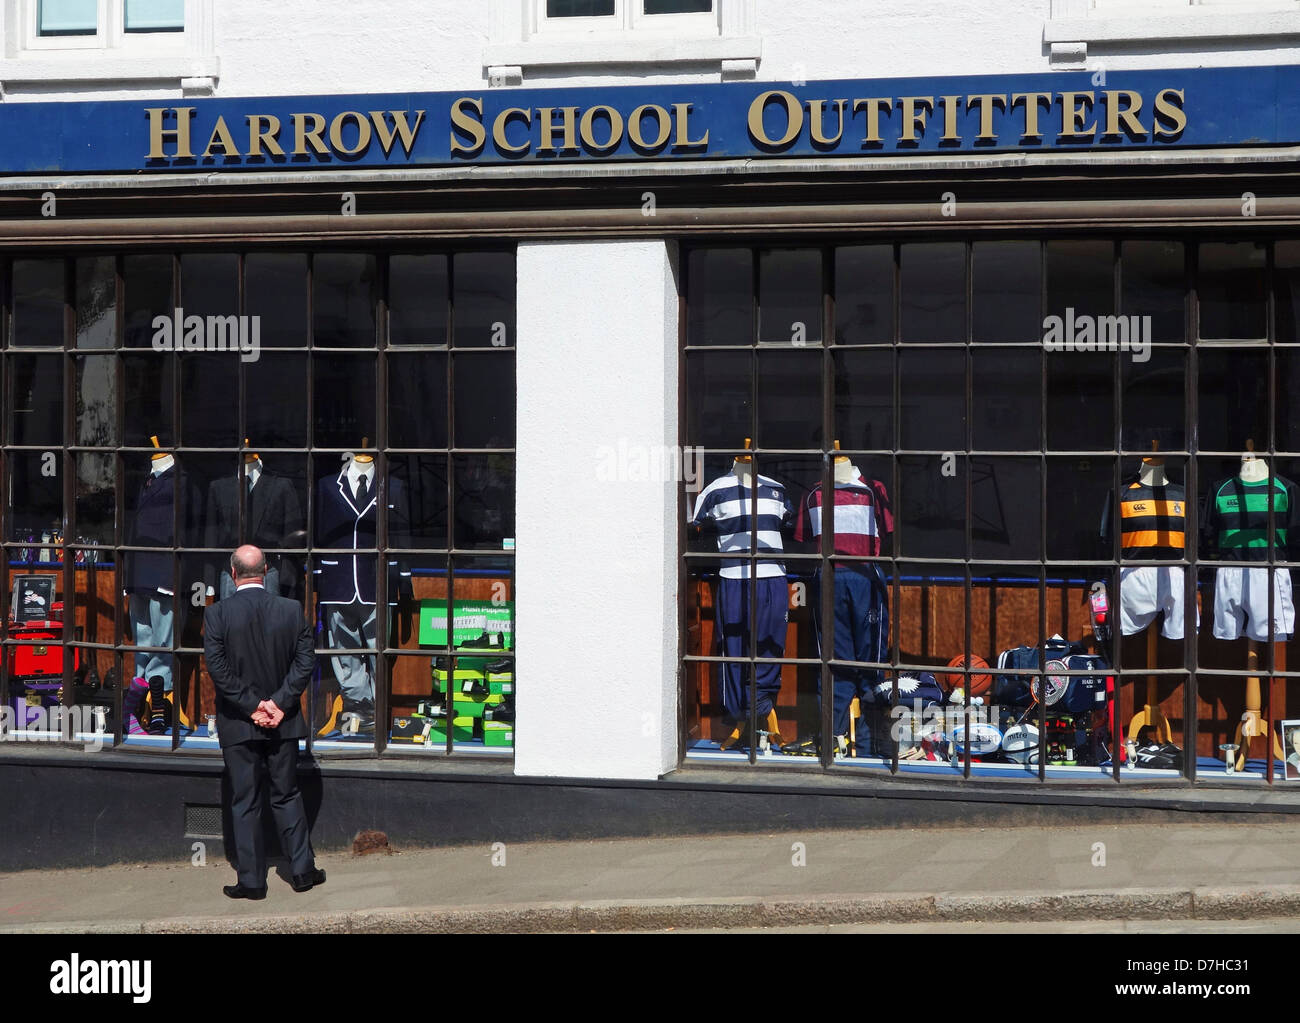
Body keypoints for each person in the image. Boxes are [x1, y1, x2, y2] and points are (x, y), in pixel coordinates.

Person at [203, 544, 325, 900]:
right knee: (286, 794)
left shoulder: (218, 615)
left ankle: (253, 881)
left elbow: (218, 671)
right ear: (267, 570)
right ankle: (302, 871)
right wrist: (278, 704)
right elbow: (305, 664)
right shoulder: (291, 610)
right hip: (283, 722)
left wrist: (254, 706)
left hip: (239, 724)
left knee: (246, 801)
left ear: (232, 572)